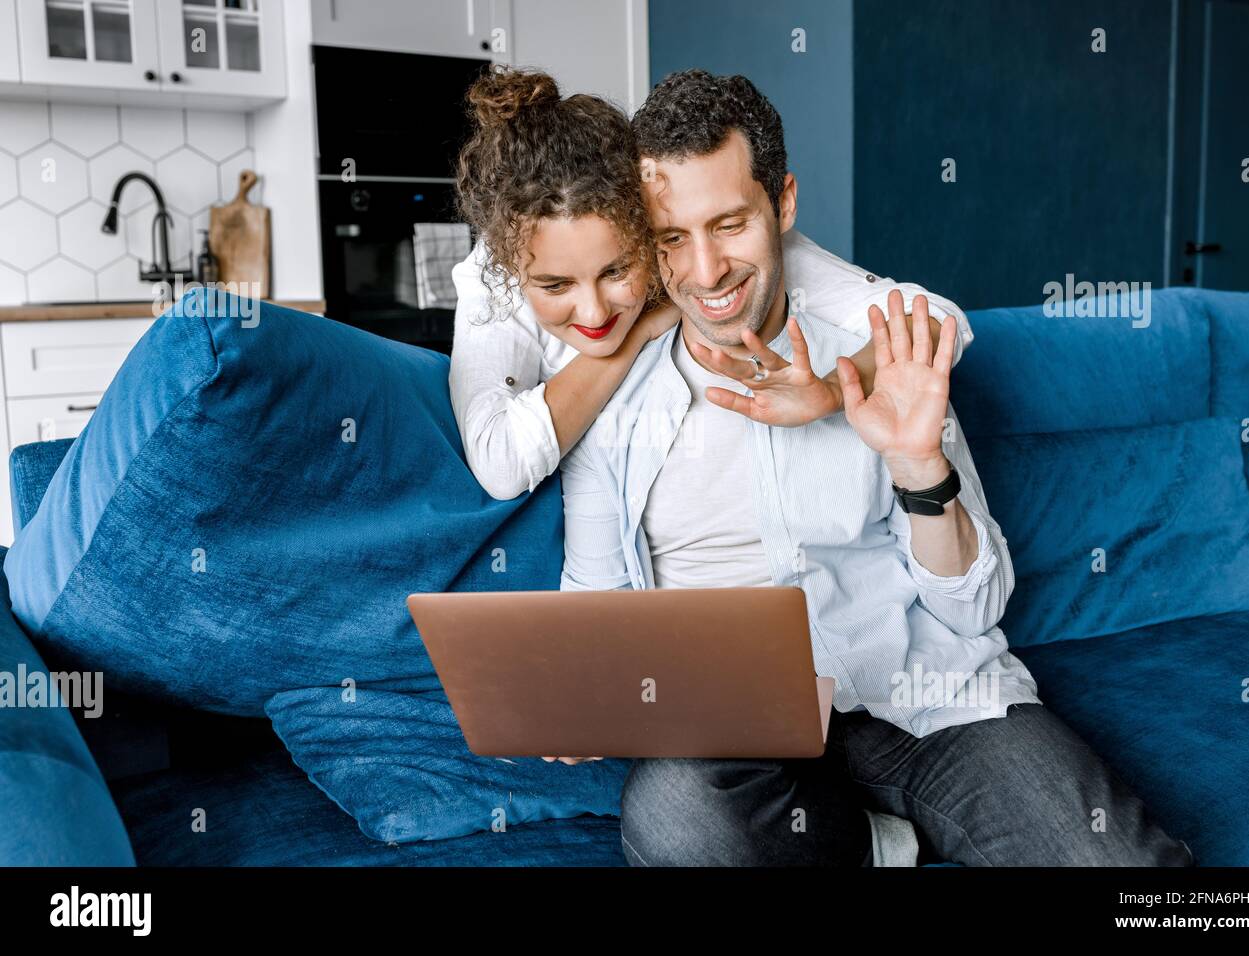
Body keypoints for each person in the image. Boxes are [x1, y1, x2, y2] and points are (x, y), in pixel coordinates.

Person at [558, 68, 1197, 867]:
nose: (707, 270)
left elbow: (976, 609)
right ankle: (867, 843)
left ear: (783, 205)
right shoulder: (615, 406)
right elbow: (593, 614)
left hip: (923, 700)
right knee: (678, 819)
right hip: (733, 732)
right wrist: (582, 702)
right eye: (671, 239)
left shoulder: (882, 362)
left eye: (730, 225)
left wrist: (917, 463)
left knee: (1135, 875)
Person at [448, 65, 973, 503]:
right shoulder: (498, 270)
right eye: (556, 285)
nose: (592, 313)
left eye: (616, 270)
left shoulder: (715, 248)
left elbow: (939, 322)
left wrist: (835, 391)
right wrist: (638, 334)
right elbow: (502, 462)